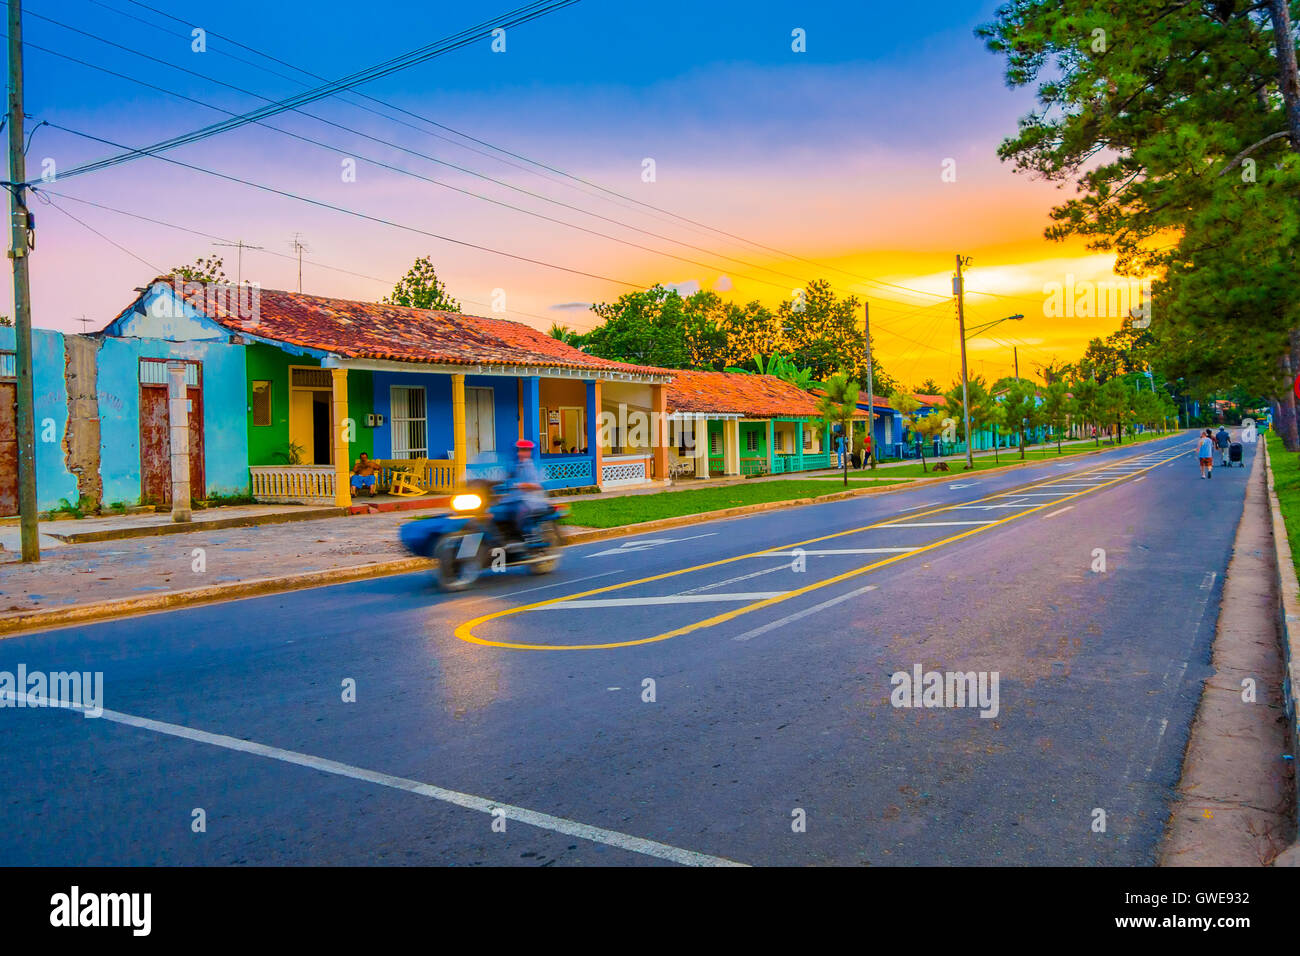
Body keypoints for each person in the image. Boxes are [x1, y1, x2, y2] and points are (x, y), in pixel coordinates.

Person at [505, 439, 547, 540]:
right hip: (517, 498)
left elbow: (538, 485)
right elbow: (508, 479)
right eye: (519, 450)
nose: (520, 453)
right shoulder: (517, 466)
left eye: (524, 450)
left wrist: (523, 485)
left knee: (520, 511)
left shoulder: (532, 466)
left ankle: (522, 535)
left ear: (529, 452)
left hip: (532, 499)